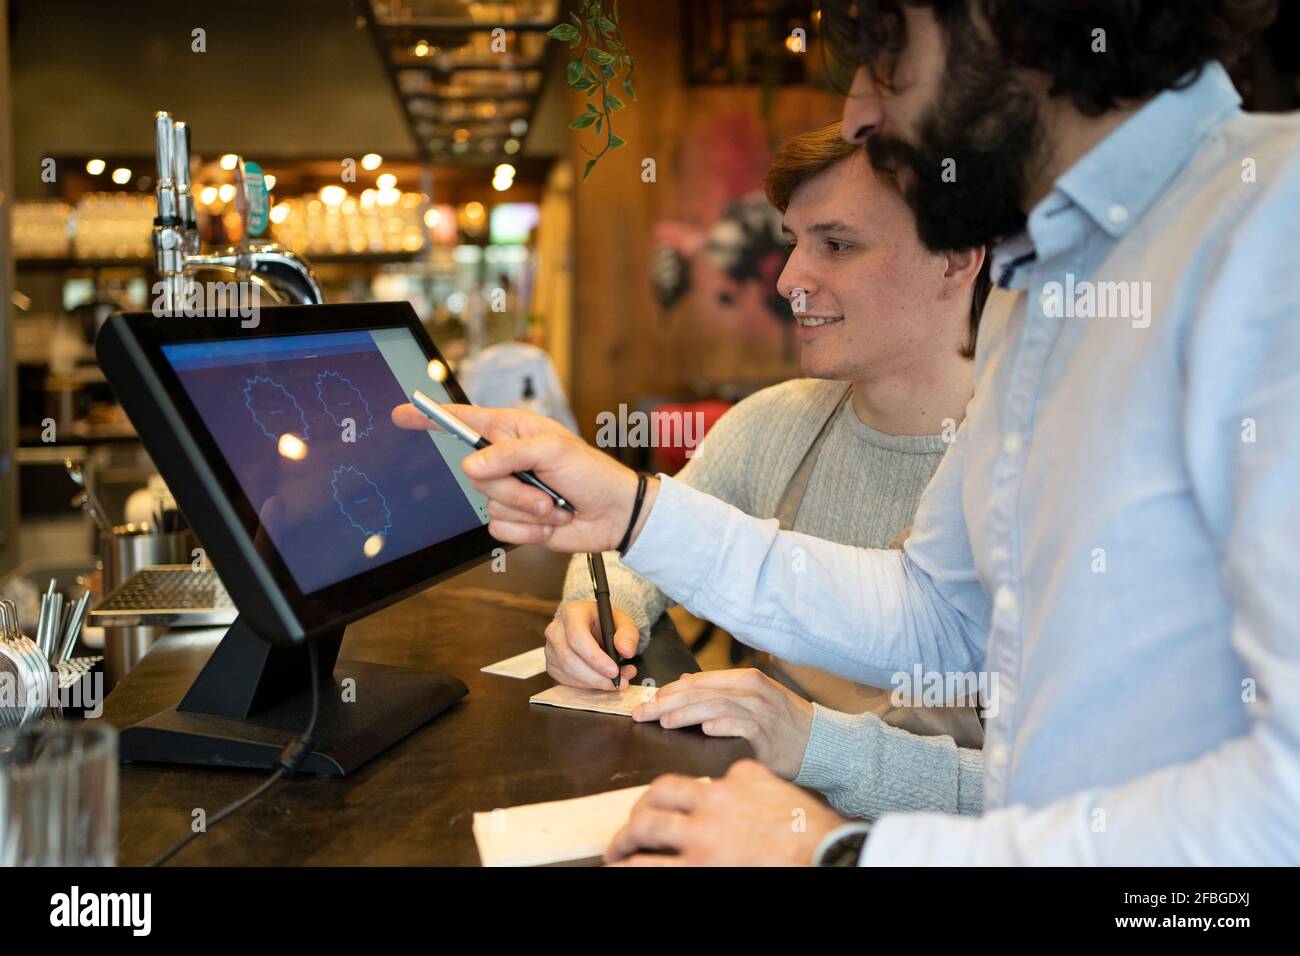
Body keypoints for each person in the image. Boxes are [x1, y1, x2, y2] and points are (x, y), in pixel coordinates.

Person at [395, 0, 1299, 864]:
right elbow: (938, 613)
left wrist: (840, 851)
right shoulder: (1040, 284)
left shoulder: (1271, 227)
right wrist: (635, 513)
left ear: (1010, 23)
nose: (862, 111)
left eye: (890, 52)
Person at [548, 122, 987, 819]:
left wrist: (812, 743)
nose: (788, 281)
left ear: (957, 258)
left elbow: (1046, 803)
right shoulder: (773, 423)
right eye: (793, 245)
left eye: (837, 245)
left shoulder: (1040, 469)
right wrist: (598, 615)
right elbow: (641, 551)